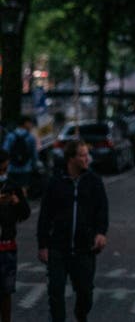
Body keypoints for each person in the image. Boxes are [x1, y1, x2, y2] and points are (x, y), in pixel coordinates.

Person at [37, 139, 108, 322]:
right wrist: (43, 244)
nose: (87, 159)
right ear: (71, 159)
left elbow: (102, 210)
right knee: (56, 292)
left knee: (85, 293)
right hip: (58, 248)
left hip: (85, 249)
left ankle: (80, 314)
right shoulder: (56, 182)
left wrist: (100, 233)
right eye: (83, 155)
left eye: (87, 154)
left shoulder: (94, 181)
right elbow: (45, 215)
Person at [0, 148, 30, 322]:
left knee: (6, 291)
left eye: (5, 169)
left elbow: (25, 213)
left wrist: (17, 203)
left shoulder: (12, 186)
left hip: (7, 246)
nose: (3, 174)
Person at [2, 117, 38, 194]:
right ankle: (23, 204)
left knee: (11, 190)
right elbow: (34, 155)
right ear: (26, 123)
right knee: (23, 189)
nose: (31, 125)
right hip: (25, 168)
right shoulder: (31, 137)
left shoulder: (10, 136)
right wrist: (34, 166)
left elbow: (5, 151)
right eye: (30, 123)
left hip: (11, 168)